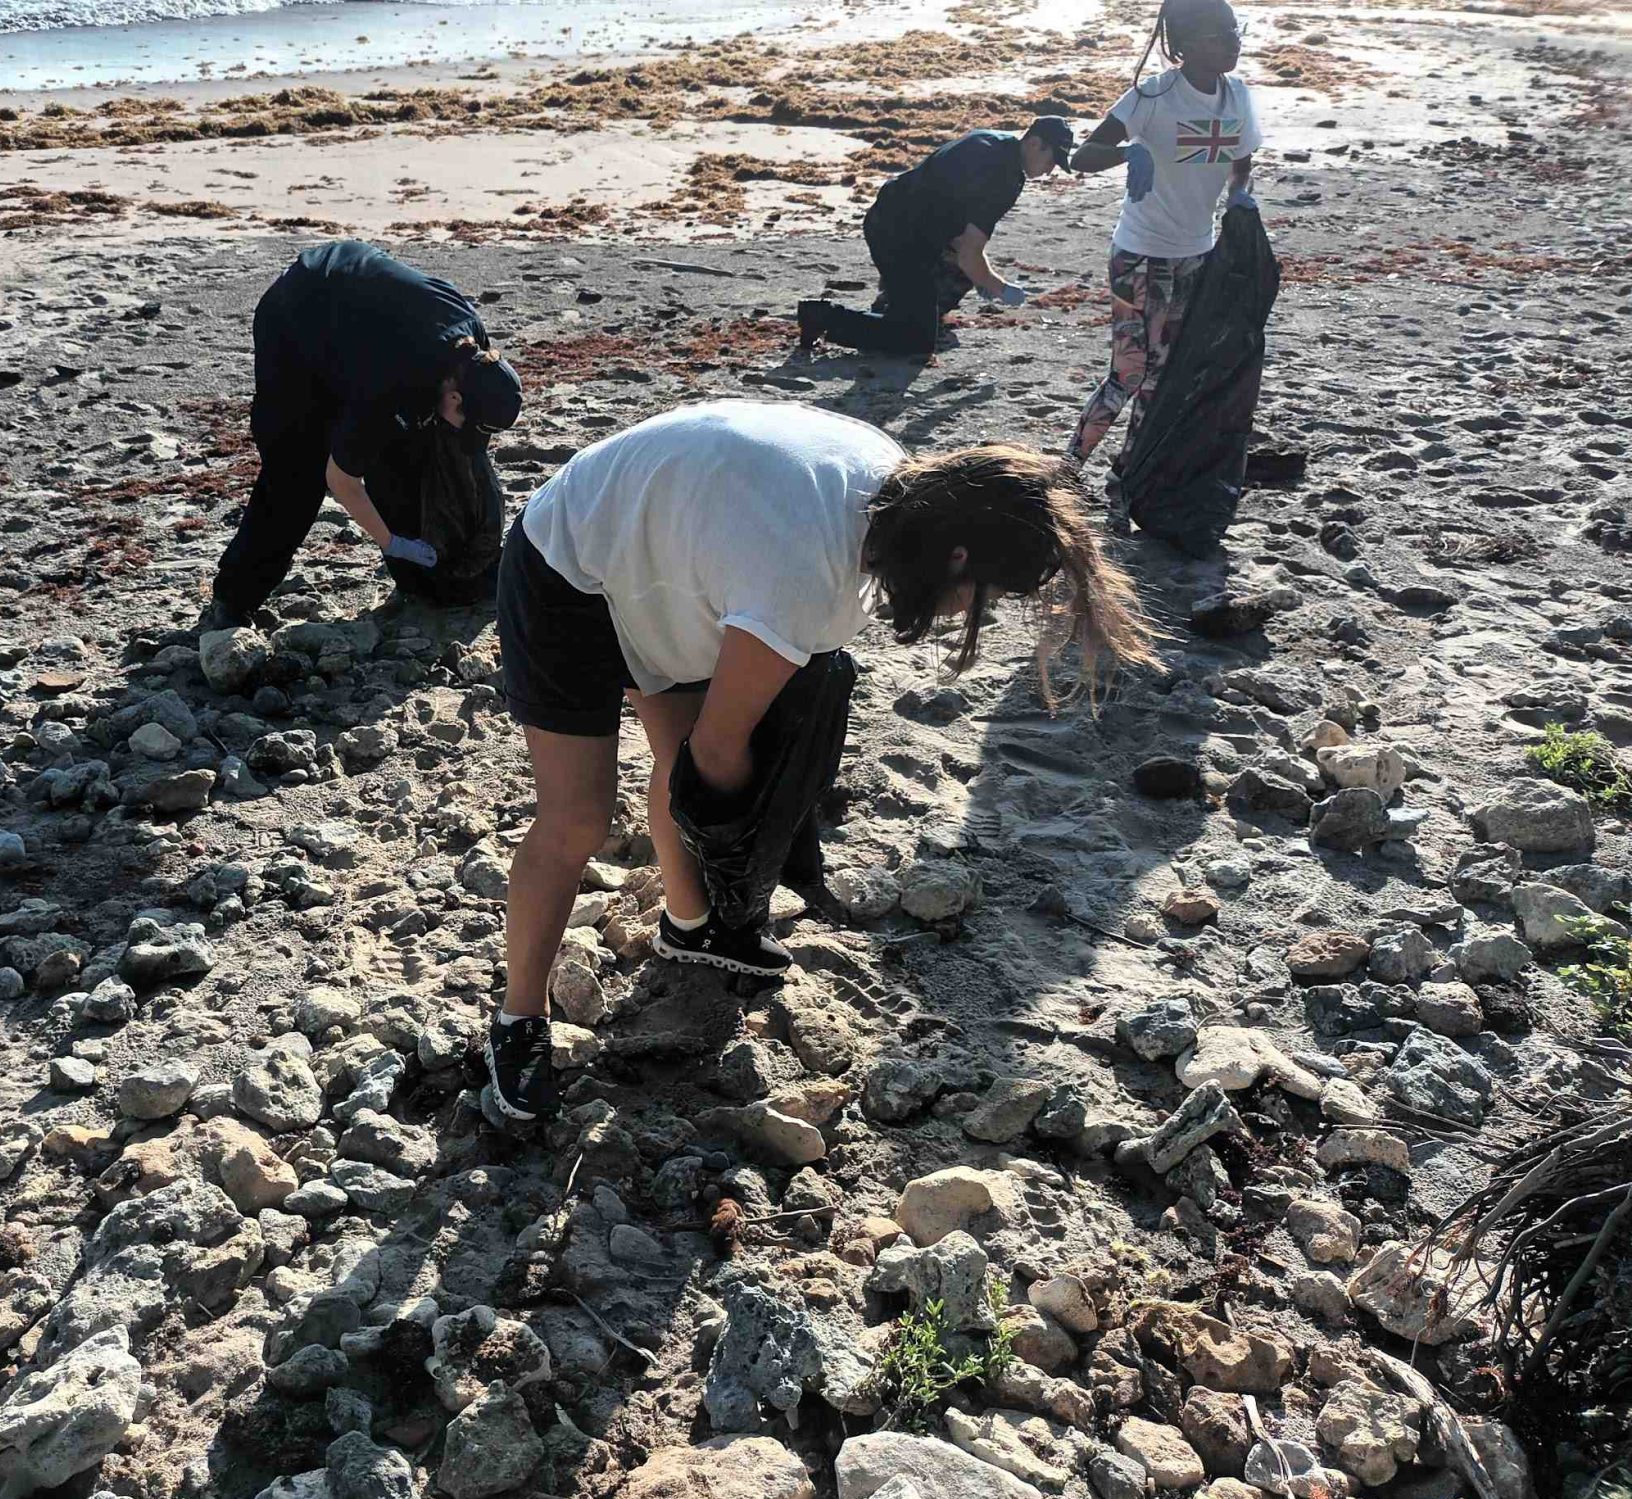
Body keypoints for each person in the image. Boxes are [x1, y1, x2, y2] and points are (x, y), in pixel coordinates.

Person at [484, 398, 1160, 1120]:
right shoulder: (804, 575)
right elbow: (719, 752)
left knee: (678, 751)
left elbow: (705, 738)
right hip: (571, 563)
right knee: (578, 817)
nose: (972, 613)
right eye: (982, 597)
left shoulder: (902, 491)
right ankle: (518, 1019)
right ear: (957, 555)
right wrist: (747, 851)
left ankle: (693, 928)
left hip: (671, 563)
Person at [205, 240, 524, 629]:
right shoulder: (390, 388)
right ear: (455, 397)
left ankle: (426, 581)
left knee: (419, 447)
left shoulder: (475, 349)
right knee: (295, 473)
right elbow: (341, 481)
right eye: (469, 426)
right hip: (296, 315)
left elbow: (453, 447)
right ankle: (234, 598)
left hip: (363, 313)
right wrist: (391, 541)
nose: (470, 437)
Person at [1064, 0, 1262, 496]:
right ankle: (1068, 467)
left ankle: (1128, 470)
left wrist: (1239, 200)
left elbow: (1241, 161)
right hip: (1140, 255)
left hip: (1197, 254)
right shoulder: (1152, 97)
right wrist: (1127, 152)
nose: (1233, 43)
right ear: (1188, 44)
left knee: (1167, 371)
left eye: (1234, 31)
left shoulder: (1237, 96)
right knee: (1131, 371)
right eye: (1219, 35)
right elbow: (1080, 156)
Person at [796, 117, 1074, 359]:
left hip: (895, 216)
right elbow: (969, 253)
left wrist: (980, 277)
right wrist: (1000, 288)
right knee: (915, 340)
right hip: (899, 236)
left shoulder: (991, 139)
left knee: (965, 276)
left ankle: (899, 304)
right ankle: (823, 317)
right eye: (1052, 161)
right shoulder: (1005, 178)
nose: (1050, 170)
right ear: (1035, 143)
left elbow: (958, 223)